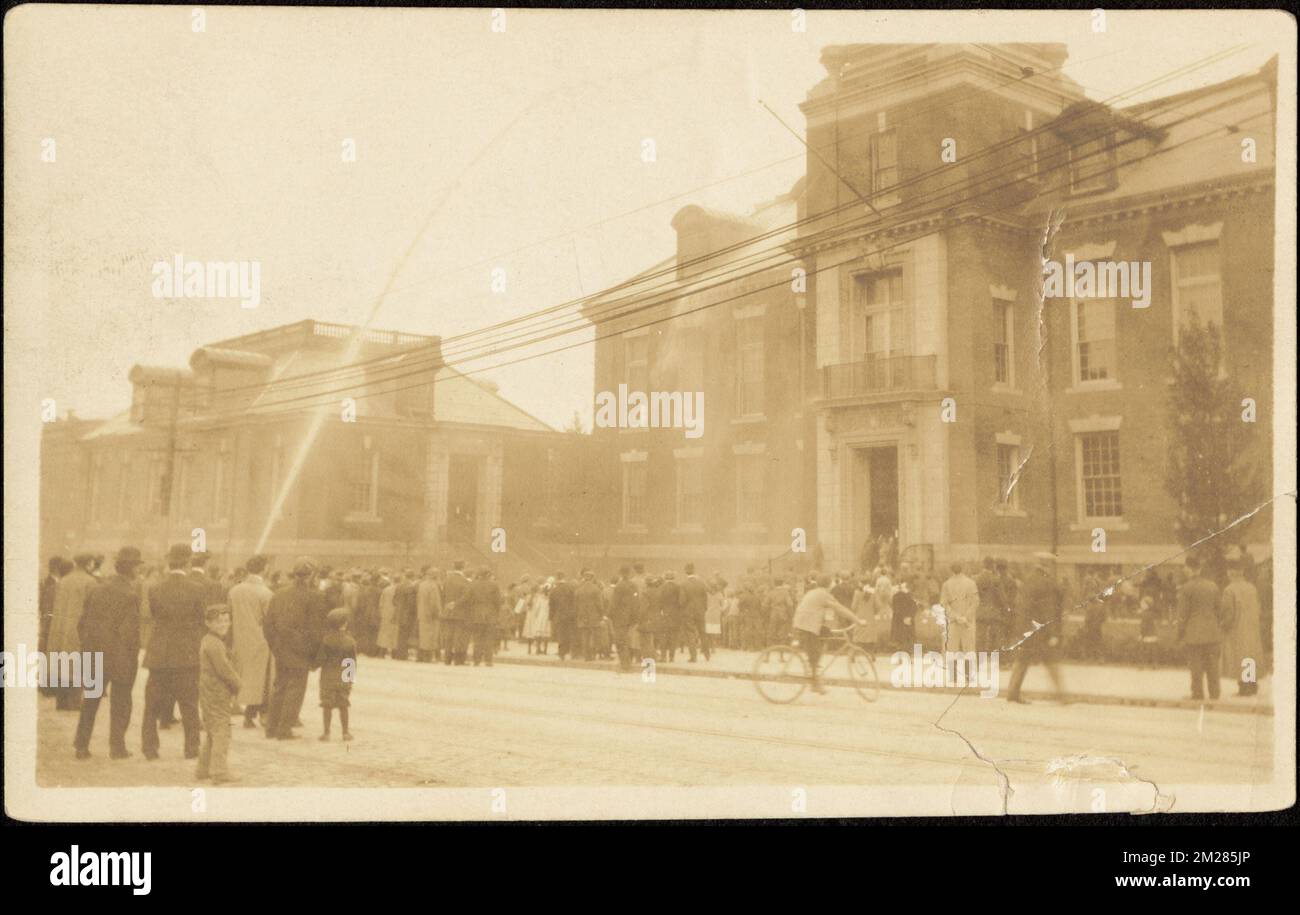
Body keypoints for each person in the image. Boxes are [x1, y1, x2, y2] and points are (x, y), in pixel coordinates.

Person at [73, 546, 145, 760]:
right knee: (121, 703)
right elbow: (130, 633)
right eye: (137, 566)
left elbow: (81, 623)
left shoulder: (96, 588)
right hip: (121, 657)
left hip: (95, 654)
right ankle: (117, 747)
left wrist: (88, 647)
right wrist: (132, 656)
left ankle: (81, 745)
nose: (139, 571)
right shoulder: (130, 595)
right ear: (131, 568)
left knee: (91, 701)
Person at [140, 544, 207, 760]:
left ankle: (150, 748)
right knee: (189, 705)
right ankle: (191, 748)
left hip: (159, 654)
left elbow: (155, 616)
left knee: (152, 705)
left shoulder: (155, 589)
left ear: (169, 563)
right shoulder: (197, 589)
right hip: (186, 654)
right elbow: (200, 620)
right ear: (188, 563)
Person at [263, 558, 324, 739]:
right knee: (295, 690)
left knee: (280, 686)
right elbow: (315, 630)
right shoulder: (315, 596)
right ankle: (284, 729)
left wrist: (275, 646)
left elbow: (268, 625)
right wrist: (314, 657)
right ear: (311, 576)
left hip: (281, 649)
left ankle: (271, 728)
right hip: (302, 651)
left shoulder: (279, 594)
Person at [1006, 554, 1067, 704]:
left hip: (1024, 628)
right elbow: (1048, 610)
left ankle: (1012, 693)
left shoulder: (1028, 579)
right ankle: (1062, 696)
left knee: (1022, 661)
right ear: (1049, 565)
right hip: (1040, 631)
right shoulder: (1046, 583)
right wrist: (1053, 633)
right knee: (1051, 660)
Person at [791, 574, 863, 694]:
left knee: (826, 634)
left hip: (803, 623)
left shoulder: (813, 592)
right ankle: (815, 682)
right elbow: (840, 608)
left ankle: (815, 665)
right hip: (808, 626)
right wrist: (857, 620)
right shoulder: (824, 594)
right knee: (814, 654)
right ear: (829, 584)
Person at [196, 604, 241, 783]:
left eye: (226, 620)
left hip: (209, 691)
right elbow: (224, 670)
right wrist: (238, 684)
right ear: (208, 623)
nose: (224, 624)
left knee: (213, 731)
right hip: (217, 691)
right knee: (222, 731)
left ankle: (203, 769)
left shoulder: (209, 640)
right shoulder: (215, 644)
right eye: (218, 622)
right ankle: (219, 771)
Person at [228, 554, 273, 729]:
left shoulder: (234, 590)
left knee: (241, 677)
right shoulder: (266, 593)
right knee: (262, 680)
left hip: (239, 640)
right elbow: (269, 620)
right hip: (260, 640)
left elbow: (230, 615)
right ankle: (258, 714)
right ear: (264, 569)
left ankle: (243, 712)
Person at [48, 553, 98, 710]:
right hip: (79, 627)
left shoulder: (64, 580)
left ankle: (61, 702)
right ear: (89, 563)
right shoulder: (91, 582)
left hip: (61, 627)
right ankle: (74, 702)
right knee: (78, 662)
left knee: (62, 662)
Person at [1177, 555, 1223, 701]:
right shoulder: (1213, 586)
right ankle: (1215, 694)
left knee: (1196, 667)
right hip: (1212, 632)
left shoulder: (1186, 588)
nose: (1184, 570)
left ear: (1190, 569)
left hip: (1194, 633)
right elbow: (1219, 609)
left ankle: (1197, 694)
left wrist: (1179, 634)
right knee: (1213, 666)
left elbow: (1182, 615)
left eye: (1186, 567)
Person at [1220, 561, 1263, 696]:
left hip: (1237, 628)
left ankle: (1244, 687)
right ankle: (1252, 684)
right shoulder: (1252, 588)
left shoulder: (1229, 590)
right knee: (1250, 654)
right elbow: (1258, 608)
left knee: (1239, 656)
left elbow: (1228, 613)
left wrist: (1222, 625)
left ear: (1230, 573)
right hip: (1252, 627)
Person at [316, 607, 357, 740]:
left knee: (327, 705)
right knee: (343, 705)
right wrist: (349, 680)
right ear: (344, 623)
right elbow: (351, 662)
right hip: (343, 677)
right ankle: (345, 732)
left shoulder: (326, 639)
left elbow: (320, 659)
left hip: (327, 677)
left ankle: (326, 733)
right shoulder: (350, 641)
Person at [939, 562, 979, 652]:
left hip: (952, 621)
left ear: (951, 570)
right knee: (969, 648)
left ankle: (951, 666)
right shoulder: (971, 583)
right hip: (967, 621)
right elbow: (975, 602)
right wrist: (965, 617)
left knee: (951, 648)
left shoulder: (946, 584)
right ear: (963, 569)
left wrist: (956, 616)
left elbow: (944, 604)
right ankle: (969, 666)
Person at [469, 567, 503, 666]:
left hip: (477, 615)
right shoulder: (494, 585)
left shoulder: (474, 584)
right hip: (490, 615)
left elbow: (468, 598)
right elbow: (498, 601)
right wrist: (497, 613)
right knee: (489, 638)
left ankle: (476, 660)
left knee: (477, 638)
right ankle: (488, 660)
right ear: (488, 575)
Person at [441, 560, 472, 665]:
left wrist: (448, 604)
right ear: (463, 567)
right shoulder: (464, 581)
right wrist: (456, 604)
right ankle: (458, 660)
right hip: (460, 613)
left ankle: (447, 659)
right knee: (459, 637)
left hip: (448, 612)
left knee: (448, 637)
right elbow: (466, 597)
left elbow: (443, 594)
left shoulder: (447, 579)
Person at [609, 566, 639, 671]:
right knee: (628, 641)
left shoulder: (619, 586)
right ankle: (628, 663)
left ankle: (625, 665)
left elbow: (614, 604)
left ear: (620, 573)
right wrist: (635, 617)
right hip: (631, 618)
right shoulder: (633, 586)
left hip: (620, 619)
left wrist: (609, 615)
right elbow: (636, 602)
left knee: (620, 642)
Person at [974, 558, 1005, 651]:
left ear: (983, 565)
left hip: (981, 611)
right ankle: (994, 658)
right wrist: (1005, 608)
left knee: (980, 637)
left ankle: (980, 658)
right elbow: (1001, 597)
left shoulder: (976, 578)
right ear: (992, 566)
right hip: (993, 611)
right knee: (995, 636)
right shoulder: (996, 579)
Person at [575, 569, 604, 661]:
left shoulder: (578, 590)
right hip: (594, 616)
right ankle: (593, 654)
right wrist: (602, 614)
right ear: (592, 578)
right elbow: (599, 604)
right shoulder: (596, 589)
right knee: (594, 636)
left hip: (582, 616)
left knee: (585, 636)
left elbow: (575, 604)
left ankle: (586, 656)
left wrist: (578, 614)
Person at [416, 567, 442, 662]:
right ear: (434, 576)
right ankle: (428, 658)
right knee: (431, 637)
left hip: (421, 613)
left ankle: (420, 657)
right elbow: (434, 602)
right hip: (430, 615)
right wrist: (437, 614)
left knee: (422, 636)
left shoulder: (421, 585)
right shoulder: (433, 586)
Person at [549, 571, 577, 660]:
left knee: (561, 634)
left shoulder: (554, 590)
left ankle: (562, 653)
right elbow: (574, 601)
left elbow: (551, 605)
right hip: (570, 615)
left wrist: (551, 616)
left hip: (559, 615)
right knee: (571, 633)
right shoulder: (570, 588)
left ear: (557, 578)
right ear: (564, 577)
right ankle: (572, 652)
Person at [523, 578, 552, 655]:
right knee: (543, 633)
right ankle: (542, 649)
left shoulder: (531, 597)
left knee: (534, 633)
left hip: (533, 616)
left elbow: (527, 607)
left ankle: (532, 649)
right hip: (542, 616)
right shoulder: (543, 598)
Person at [376, 573, 399, 659]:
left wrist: (382, 612)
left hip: (385, 613)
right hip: (395, 614)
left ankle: (382, 652)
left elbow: (381, 603)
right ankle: (394, 653)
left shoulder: (386, 590)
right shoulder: (398, 589)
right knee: (394, 634)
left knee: (384, 633)